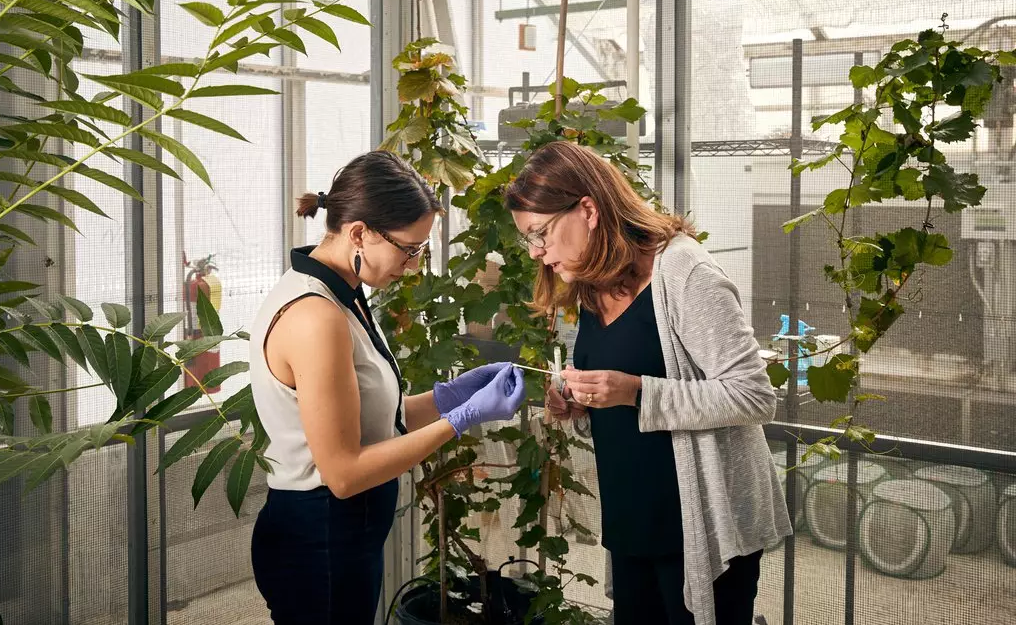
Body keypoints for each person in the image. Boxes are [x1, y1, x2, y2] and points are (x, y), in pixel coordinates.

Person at [505, 141, 791, 625]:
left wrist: (636, 391)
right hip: (633, 520)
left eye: (541, 234)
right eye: (528, 240)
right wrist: (581, 402)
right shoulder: (592, 281)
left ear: (588, 210)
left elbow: (754, 394)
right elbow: (620, 390)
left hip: (702, 527)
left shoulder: (683, 271)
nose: (537, 252)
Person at [249, 150, 526, 625]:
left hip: (342, 535)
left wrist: (450, 396)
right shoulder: (317, 316)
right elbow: (344, 473)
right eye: (409, 249)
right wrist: (459, 421)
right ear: (359, 232)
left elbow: (372, 420)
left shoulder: (342, 293)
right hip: (321, 539)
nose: (413, 266)